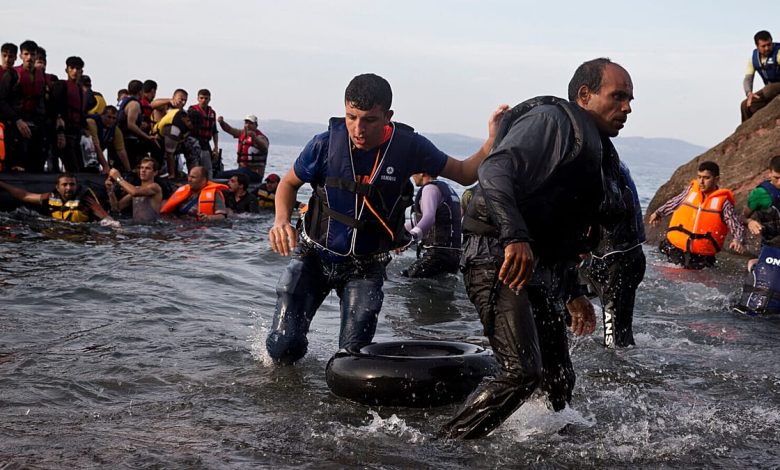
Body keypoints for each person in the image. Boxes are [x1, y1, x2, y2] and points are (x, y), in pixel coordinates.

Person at [441, 58, 631, 440]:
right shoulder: (552, 121)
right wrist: (515, 237)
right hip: (496, 253)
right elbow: (493, 170)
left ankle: (546, 447)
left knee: (559, 378)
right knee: (522, 372)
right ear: (584, 95)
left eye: (630, 100)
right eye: (617, 97)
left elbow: (560, 226)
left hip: (538, 265)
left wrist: (574, 292)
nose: (627, 108)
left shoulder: (596, 152)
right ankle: (444, 447)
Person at [265, 72, 507, 365]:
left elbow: (466, 172)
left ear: (388, 116)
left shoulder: (410, 148)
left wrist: (493, 138)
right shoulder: (323, 145)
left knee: (351, 360)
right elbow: (288, 184)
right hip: (314, 255)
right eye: (351, 117)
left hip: (365, 268)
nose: (358, 128)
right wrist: (280, 220)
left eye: (369, 120)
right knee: (282, 348)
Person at [580, 161, 646, 348]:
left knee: (613, 340)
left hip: (615, 259)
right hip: (628, 255)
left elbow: (608, 210)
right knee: (621, 333)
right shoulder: (613, 162)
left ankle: (615, 372)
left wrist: (580, 242)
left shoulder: (601, 166)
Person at [649, 161, 745, 269]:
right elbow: (675, 202)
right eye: (699, 177)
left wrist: (738, 239)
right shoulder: (691, 191)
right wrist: (659, 212)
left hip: (701, 254)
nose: (701, 182)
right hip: (676, 248)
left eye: (706, 178)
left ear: (716, 179)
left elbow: (735, 223)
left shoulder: (723, 202)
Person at [401, 172, 462, 278]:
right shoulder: (446, 188)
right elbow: (421, 223)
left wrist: (412, 237)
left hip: (437, 255)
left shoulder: (429, 189)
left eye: (414, 172)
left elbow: (429, 218)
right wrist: (398, 236)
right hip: (454, 257)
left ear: (421, 173)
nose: (411, 175)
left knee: (404, 278)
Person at [0, 39, 47, 172]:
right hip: (13, 120)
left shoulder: (40, 76)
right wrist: (17, 120)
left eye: (32, 55)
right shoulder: (12, 75)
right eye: (26, 54)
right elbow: (2, 100)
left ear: (36, 56)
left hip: (34, 120)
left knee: (41, 143)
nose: (29, 58)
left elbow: (41, 100)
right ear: (20, 56)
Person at [0, 172, 111, 222]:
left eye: (72, 184)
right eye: (65, 185)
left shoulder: (86, 199)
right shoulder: (51, 197)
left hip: (80, 237)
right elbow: (24, 195)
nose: (68, 188)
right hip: (57, 236)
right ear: (57, 187)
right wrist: (2, 184)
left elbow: (107, 219)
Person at [50, 56, 89, 172]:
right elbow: (55, 107)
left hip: (75, 133)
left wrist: (85, 127)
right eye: (72, 68)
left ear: (81, 72)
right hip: (63, 133)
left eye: (78, 69)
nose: (75, 71)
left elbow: (80, 112)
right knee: (72, 166)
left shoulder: (80, 90)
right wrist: (60, 132)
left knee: (79, 166)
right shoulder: (61, 85)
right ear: (66, 70)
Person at [105, 157, 162, 223]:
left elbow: (135, 192)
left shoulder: (155, 187)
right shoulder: (136, 189)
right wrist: (110, 191)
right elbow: (116, 207)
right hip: (138, 228)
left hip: (152, 229)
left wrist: (118, 178)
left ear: (155, 173)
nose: (143, 170)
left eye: (147, 168)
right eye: (141, 167)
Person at [160, 165, 228, 221]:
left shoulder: (215, 194)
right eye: (189, 176)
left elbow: (222, 216)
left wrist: (208, 218)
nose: (189, 180)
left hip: (200, 228)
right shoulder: (183, 191)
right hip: (180, 224)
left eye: (193, 177)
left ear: (203, 180)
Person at [117, 79, 157, 169]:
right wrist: (146, 137)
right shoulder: (134, 104)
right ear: (141, 91)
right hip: (128, 140)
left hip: (122, 137)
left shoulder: (123, 101)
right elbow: (130, 125)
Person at [741, 30, 780, 122]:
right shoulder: (753, 59)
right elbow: (748, 79)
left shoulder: (778, 53)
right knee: (745, 105)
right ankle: (746, 130)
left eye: (769, 44)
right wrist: (749, 93)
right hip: (769, 91)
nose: (767, 48)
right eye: (763, 46)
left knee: (769, 89)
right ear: (757, 46)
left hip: (775, 88)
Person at [217, 114, 269, 182]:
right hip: (242, 170)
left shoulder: (261, 137)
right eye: (246, 123)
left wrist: (254, 138)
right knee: (219, 175)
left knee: (221, 175)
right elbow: (229, 129)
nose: (247, 125)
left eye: (250, 123)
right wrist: (222, 123)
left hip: (255, 174)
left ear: (256, 125)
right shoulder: (242, 134)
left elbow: (264, 147)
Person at [86, 105, 131, 173]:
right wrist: (105, 166)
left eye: (114, 118)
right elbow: (96, 145)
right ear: (102, 115)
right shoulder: (92, 122)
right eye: (109, 117)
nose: (111, 120)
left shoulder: (115, 130)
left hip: (96, 156)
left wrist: (129, 170)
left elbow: (121, 151)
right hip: (85, 151)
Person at [188, 89, 219, 178]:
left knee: (208, 168)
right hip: (194, 142)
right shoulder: (192, 110)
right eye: (201, 98)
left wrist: (216, 147)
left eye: (206, 98)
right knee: (195, 168)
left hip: (205, 143)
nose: (203, 100)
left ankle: (208, 184)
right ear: (198, 98)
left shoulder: (212, 113)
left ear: (209, 99)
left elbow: (214, 131)